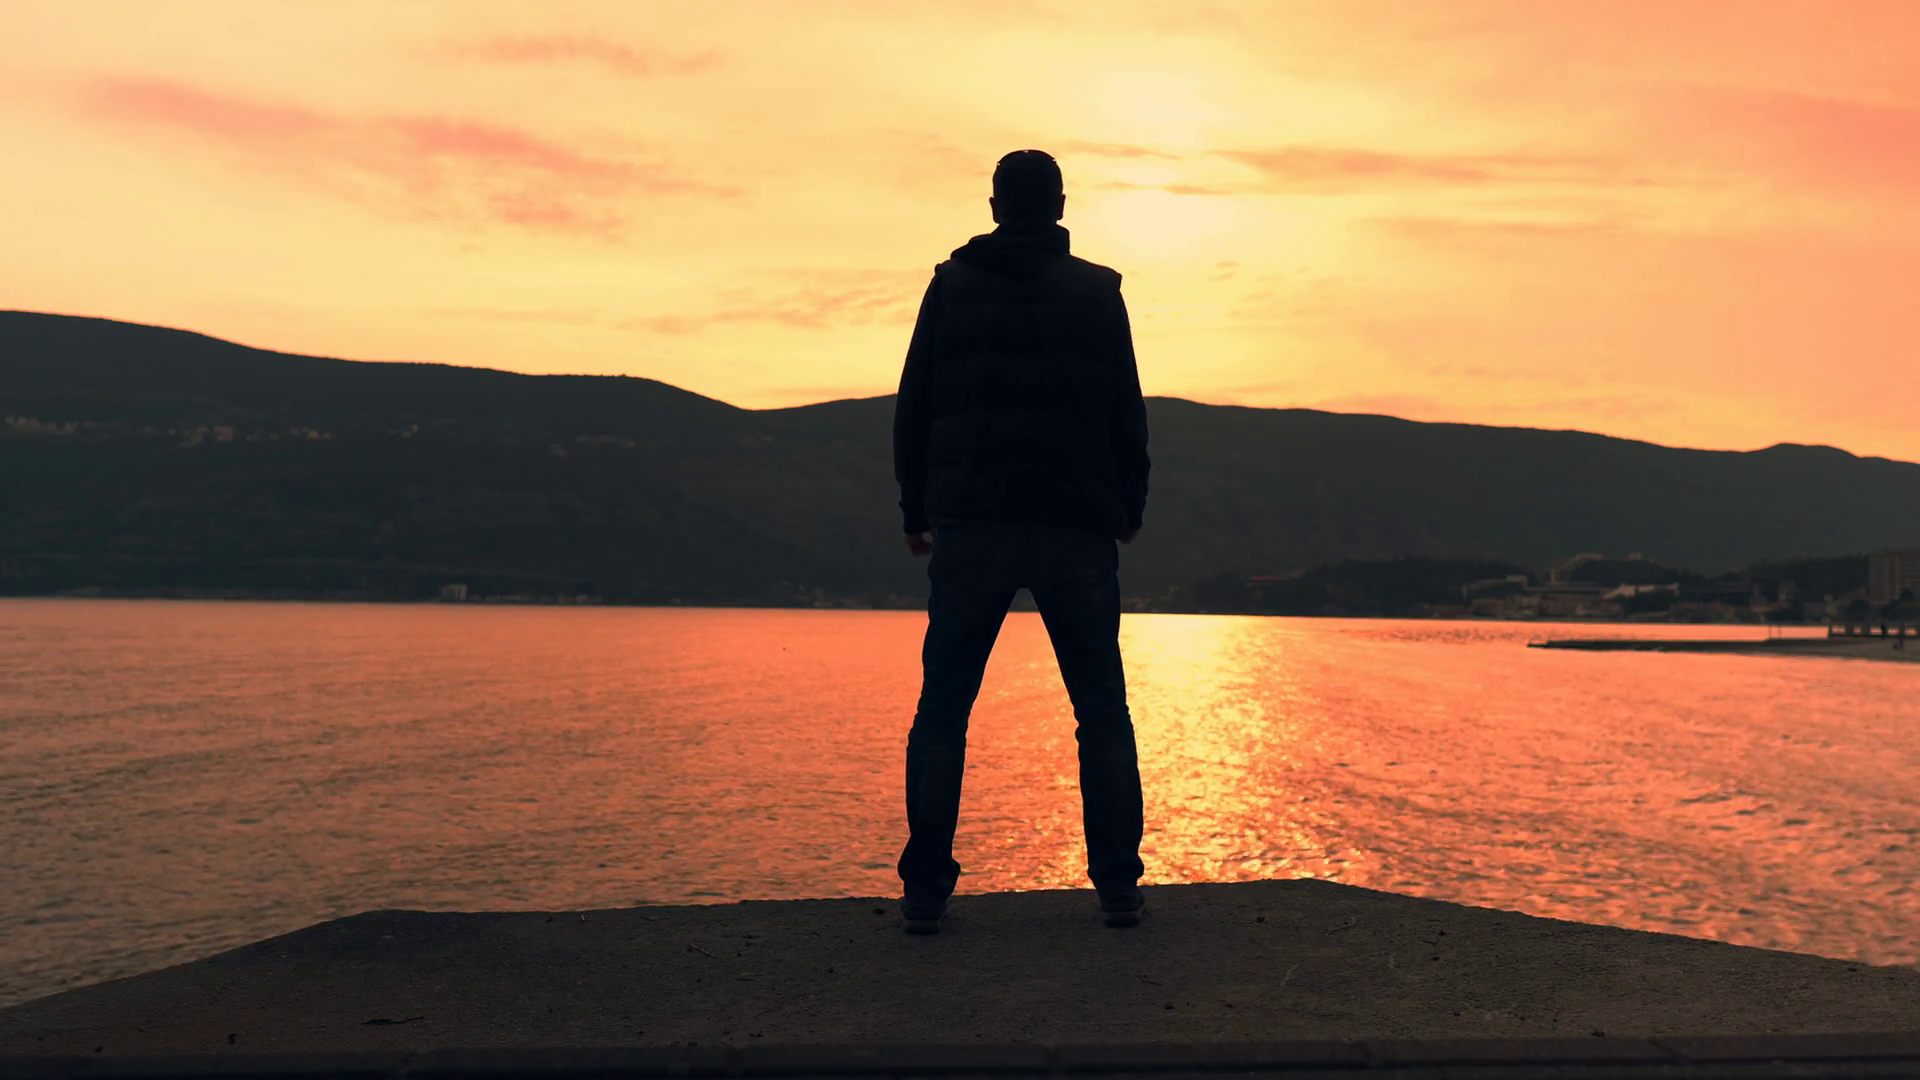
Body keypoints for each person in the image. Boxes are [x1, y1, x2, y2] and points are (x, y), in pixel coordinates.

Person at [891, 148, 1150, 934]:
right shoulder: (1099, 292)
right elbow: (1125, 411)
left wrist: (915, 511)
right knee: (1101, 711)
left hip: (973, 527)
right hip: (1076, 527)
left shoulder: (951, 288)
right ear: (1060, 204)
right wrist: (1128, 505)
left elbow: (916, 405)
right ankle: (1117, 889)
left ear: (997, 205)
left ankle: (926, 893)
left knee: (944, 711)